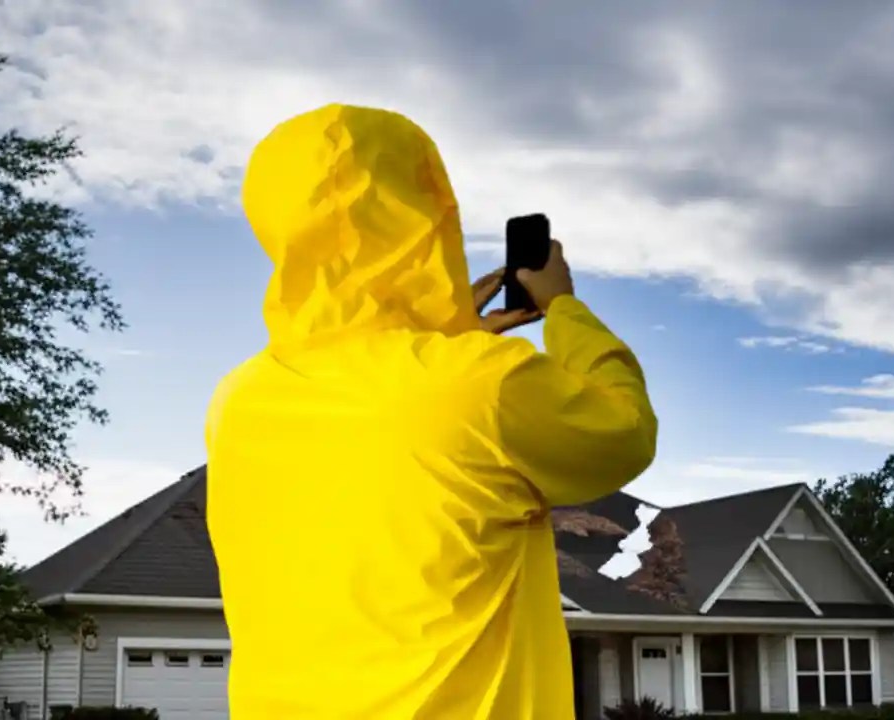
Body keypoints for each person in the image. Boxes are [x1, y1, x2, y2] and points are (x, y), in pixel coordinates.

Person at [205, 103, 657, 719]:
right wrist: (564, 311)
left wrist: (439, 334)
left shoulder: (237, 400)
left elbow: (377, 422)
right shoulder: (478, 383)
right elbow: (623, 431)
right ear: (425, 215)